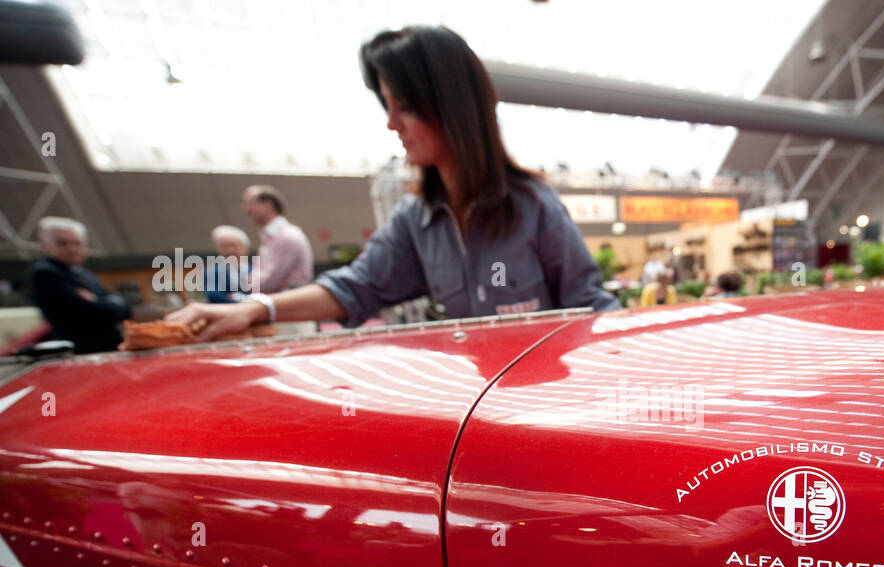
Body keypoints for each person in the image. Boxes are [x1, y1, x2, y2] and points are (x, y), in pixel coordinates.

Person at [167, 26, 616, 342]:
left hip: (551, 407)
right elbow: (357, 285)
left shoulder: (531, 204)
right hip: (485, 411)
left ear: (451, 106)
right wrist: (254, 308)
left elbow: (589, 304)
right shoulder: (415, 221)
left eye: (404, 106)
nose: (391, 124)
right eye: (386, 105)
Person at [27, 217, 129, 353]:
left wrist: (100, 302)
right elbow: (88, 311)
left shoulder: (83, 272)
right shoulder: (45, 273)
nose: (71, 249)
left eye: (76, 243)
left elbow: (124, 308)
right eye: (62, 243)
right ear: (46, 246)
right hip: (82, 349)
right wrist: (104, 304)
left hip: (107, 347)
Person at [241, 185, 313, 293]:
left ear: (268, 204)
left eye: (250, 204)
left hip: (286, 304)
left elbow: (270, 280)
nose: (246, 210)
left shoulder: (286, 236)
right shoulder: (272, 236)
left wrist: (247, 286)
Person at [204, 225, 253, 303]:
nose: (229, 251)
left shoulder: (257, 271)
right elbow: (214, 296)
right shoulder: (211, 273)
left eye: (233, 246)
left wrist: (237, 297)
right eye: (224, 246)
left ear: (245, 248)